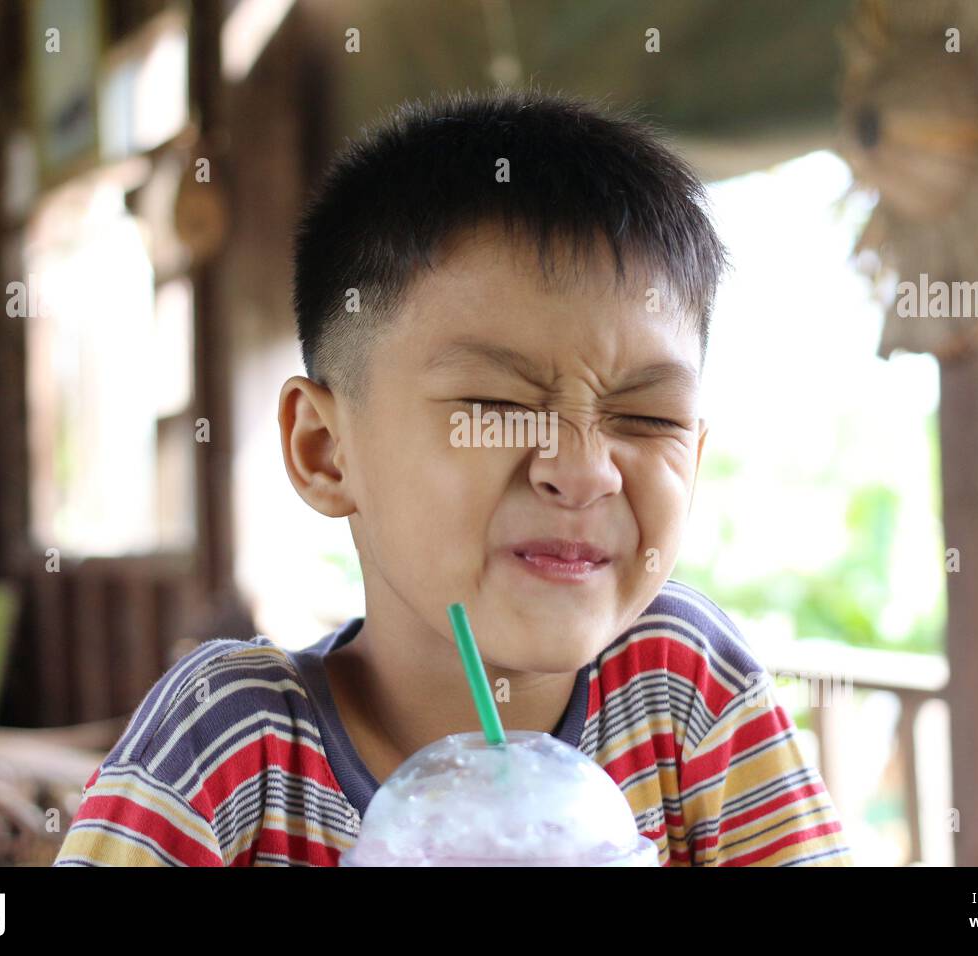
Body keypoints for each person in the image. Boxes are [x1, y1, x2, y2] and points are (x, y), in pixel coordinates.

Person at [54, 87, 853, 867]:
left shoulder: (680, 685)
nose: (582, 472)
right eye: (496, 405)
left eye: (646, 417)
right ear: (325, 451)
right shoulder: (232, 748)